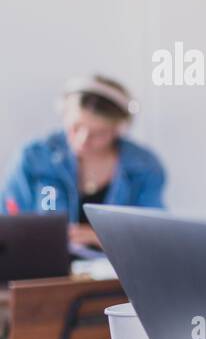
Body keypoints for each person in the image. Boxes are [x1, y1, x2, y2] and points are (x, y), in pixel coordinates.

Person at [2, 75, 165, 248]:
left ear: (118, 130)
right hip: (42, 271)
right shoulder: (33, 157)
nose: (83, 140)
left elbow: (152, 235)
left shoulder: (145, 166)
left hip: (113, 272)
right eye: (76, 126)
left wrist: (100, 237)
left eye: (99, 133)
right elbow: (7, 223)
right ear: (64, 114)